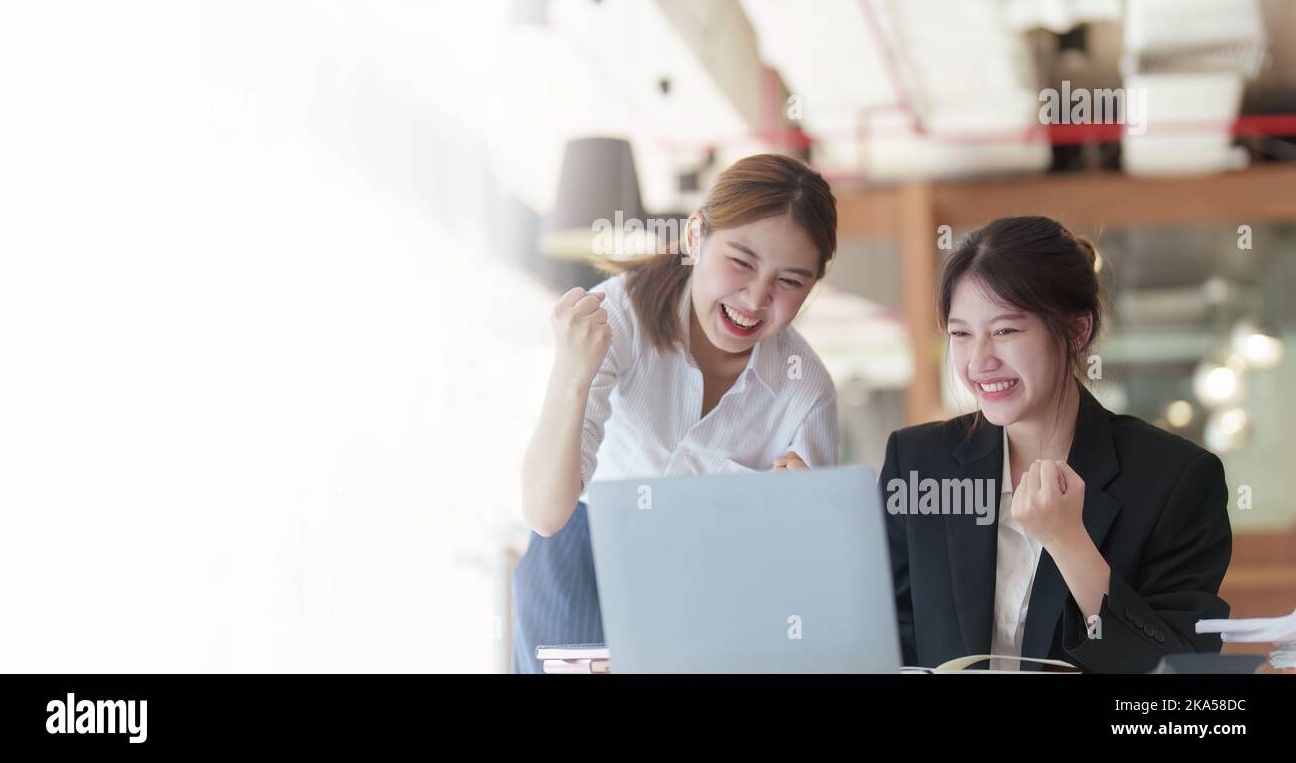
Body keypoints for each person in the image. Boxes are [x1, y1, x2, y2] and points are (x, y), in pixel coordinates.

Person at [514, 153, 840, 672]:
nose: (756, 298)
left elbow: (806, 577)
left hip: (709, 586)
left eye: (790, 281)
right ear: (695, 237)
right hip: (582, 561)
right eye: (742, 261)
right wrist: (571, 377)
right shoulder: (614, 319)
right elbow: (546, 514)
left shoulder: (807, 389)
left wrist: (807, 520)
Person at [880, 215, 1231, 673]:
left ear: (1077, 331)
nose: (980, 361)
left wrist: (1069, 543)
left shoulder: (1175, 479)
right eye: (961, 334)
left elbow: (1179, 671)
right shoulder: (919, 464)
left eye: (1005, 330)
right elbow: (884, 640)